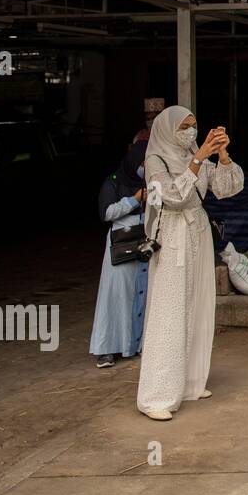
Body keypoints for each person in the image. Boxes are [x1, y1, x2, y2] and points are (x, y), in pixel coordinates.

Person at [136, 107, 244, 420]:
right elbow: (173, 197)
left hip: (198, 233)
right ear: (169, 130)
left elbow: (227, 189)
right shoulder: (155, 160)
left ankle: (190, 382)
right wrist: (198, 161)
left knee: (198, 305)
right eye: (184, 127)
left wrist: (222, 155)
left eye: (194, 126)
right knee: (170, 311)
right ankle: (157, 396)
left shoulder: (193, 153)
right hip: (172, 238)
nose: (190, 132)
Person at [89, 140, 150, 367]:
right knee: (116, 296)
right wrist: (134, 200)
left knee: (139, 295)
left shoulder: (149, 181)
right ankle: (106, 348)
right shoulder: (114, 181)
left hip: (143, 243)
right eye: (142, 162)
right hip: (121, 243)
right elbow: (107, 212)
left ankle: (133, 345)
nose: (144, 167)